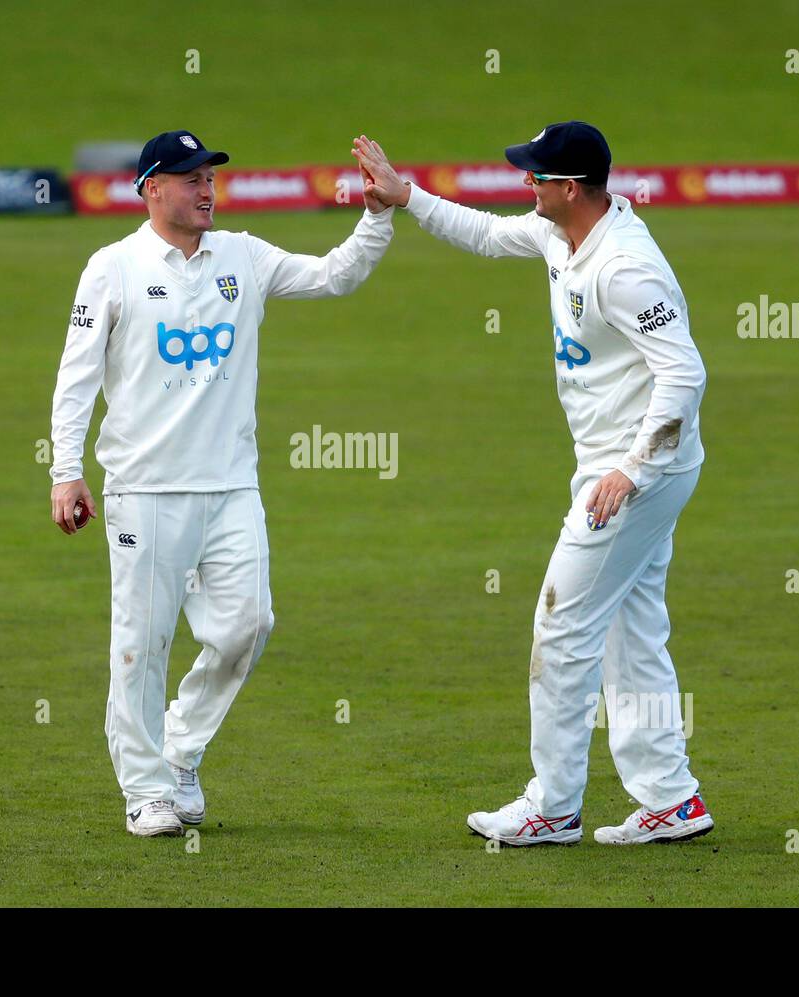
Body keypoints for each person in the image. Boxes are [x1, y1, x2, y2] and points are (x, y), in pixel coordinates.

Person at [352, 124, 713, 846]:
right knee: (629, 627)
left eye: (537, 178)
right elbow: (486, 234)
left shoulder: (625, 267)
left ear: (569, 188)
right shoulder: (561, 236)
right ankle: (671, 798)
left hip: (636, 472)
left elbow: (686, 373)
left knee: (563, 622)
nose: (527, 186)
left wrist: (629, 469)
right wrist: (407, 195)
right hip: (614, 463)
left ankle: (553, 806)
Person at [51, 129, 393, 837]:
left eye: (208, 176)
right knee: (141, 644)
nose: (206, 188)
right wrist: (65, 470)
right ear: (150, 188)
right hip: (144, 489)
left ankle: (179, 749)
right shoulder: (111, 268)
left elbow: (335, 275)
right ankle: (145, 791)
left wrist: (378, 214)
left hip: (232, 486)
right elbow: (76, 376)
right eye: (188, 177)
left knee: (249, 624)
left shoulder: (242, 254)